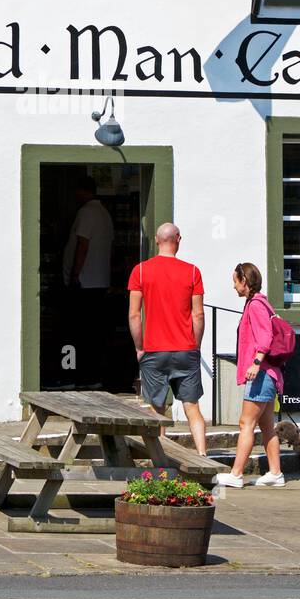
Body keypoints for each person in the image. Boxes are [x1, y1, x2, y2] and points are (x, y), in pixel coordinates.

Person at [127, 222, 207, 455]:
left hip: (154, 349)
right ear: (178, 240)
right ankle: (202, 456)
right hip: (186, 349)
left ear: (156, 240)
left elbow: (134, 314)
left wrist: (139, 347)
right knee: (193, 409)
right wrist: (196, 345)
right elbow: (198, 314)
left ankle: (160, 461)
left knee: (156, 410)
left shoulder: (140, 271)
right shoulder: (193, 271)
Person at [214, 263, 285, 488]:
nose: (233, 286)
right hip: (268, 374)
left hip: (262, 374)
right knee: (266, 426)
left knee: (246, 423)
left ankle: (235, 475)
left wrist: (255, 363)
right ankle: (275, 473)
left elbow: (264, 338)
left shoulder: (255, 305)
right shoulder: (259, 302)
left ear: (244, 281)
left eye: (235, 281)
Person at [61, 176, 115, 387]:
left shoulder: (86, 212)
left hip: (84, 282)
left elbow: (82, 245)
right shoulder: (104, 214)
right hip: (100, 281)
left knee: (76, 333)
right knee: (95, 333)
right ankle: (93, 377)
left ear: (83, 191)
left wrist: (74, 275)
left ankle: (73, 376)